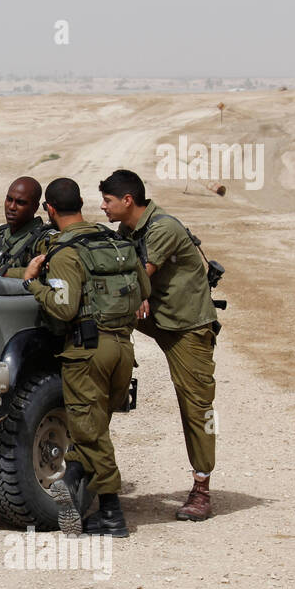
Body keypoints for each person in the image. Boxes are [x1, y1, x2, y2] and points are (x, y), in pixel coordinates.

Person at [22, 177, 150, 537]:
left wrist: (32, 283)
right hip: (123, 349)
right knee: (92, 427)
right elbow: (145, 288)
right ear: (81, 203)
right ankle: (73, 477)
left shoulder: (66, 251)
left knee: (91, 433)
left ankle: (112, 513)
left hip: (87, 353)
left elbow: (63, 309)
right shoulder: (114, 240)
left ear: (49, 209)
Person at [99, 169, 218, 522]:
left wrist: (139, 292)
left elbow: (135, 276)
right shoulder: (129, 228)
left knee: (196, 403)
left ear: (127, 201)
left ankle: (202, 489)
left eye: (107, 201)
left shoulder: (162, 228)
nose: (103, 207)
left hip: (187, 325)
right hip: (156, 315)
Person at [0, 176, 50, 277]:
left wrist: (5, 273)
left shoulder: (44, 240)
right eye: (9, 200)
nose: (12, 207)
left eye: (20, 203)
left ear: (35, 207)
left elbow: (48, 272)